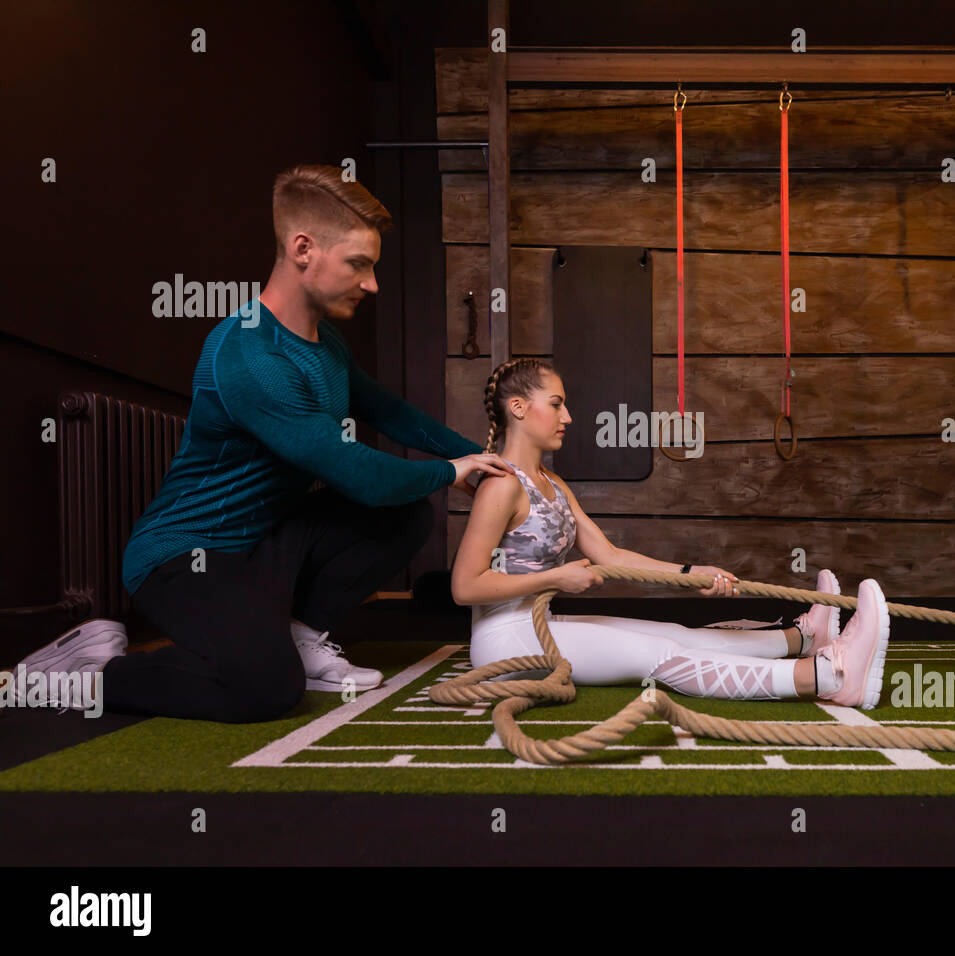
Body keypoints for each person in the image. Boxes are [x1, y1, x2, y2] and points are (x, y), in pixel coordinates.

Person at [18, 164, 510, 721]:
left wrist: (495, 460)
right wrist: (454, 470)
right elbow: (361, 476)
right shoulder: (250, 355)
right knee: (266, 690)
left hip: (266, 540)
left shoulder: (326, 343)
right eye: (359, 264)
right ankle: (86, 675)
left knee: (407, 514)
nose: (371, 283)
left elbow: (389, 412)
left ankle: (299, 637)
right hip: (187, 555)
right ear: (304, 249)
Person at [451, 357, 891, 707]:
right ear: (519, 408)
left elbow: (610, 555)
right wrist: (554, 579)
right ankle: (827, 677)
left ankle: (800, 639)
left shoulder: (552, 483)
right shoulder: (501, 484)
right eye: (556, 403)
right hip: (505, 641)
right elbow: (465, 586)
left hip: (539, 623)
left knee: (674, 634)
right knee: (659, 656)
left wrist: (689, 572)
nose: (568, 415)